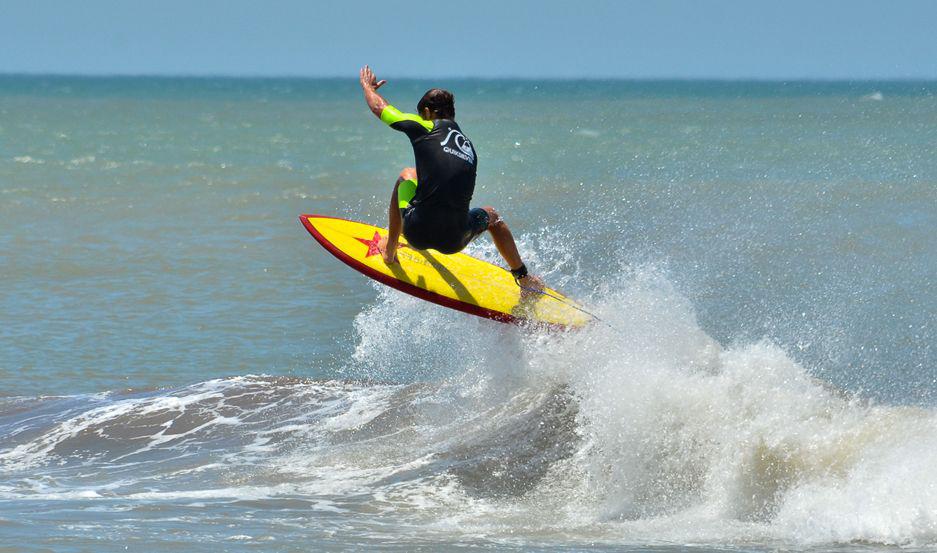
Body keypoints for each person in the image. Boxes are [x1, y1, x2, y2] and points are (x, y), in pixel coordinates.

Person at [359, 65, 544, 291]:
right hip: (454, 240)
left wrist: (368, 87)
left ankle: (389, 252)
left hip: (417, 231)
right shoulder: (468, 146)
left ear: (427, 112)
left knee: (406, 175)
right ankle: (523, 277)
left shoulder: (426, 126)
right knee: (493, 217)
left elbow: (381, 108)